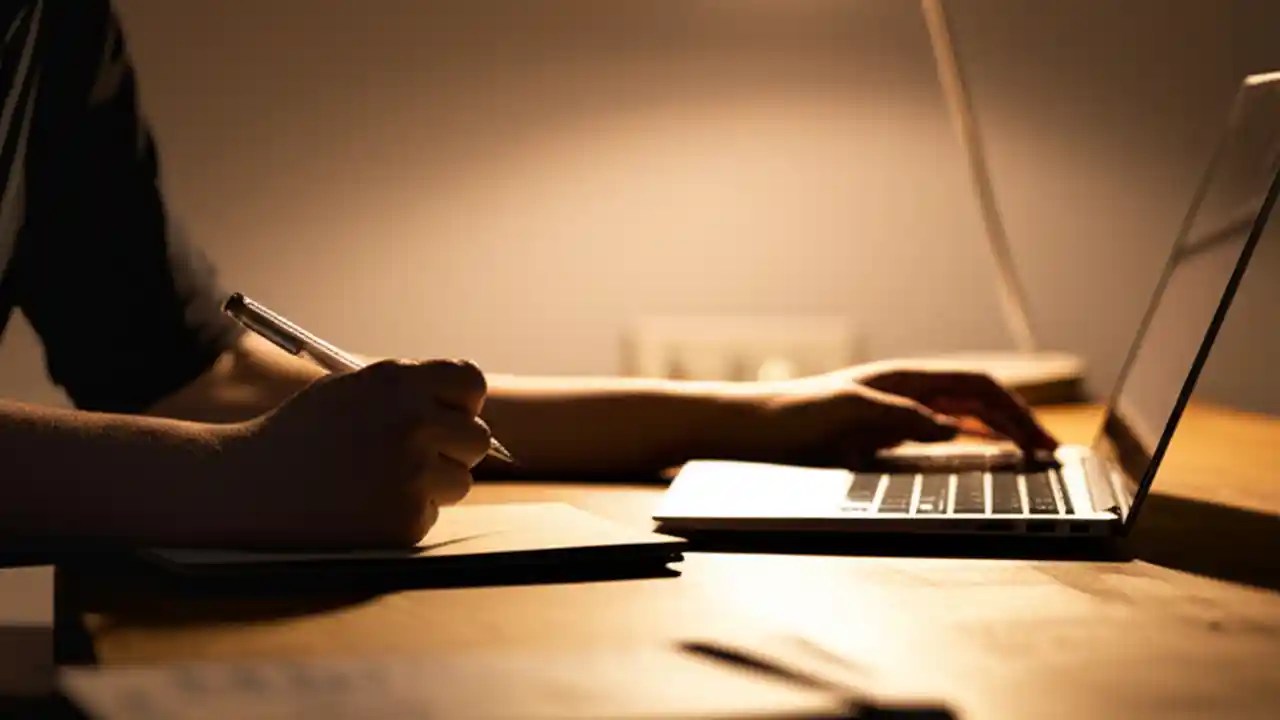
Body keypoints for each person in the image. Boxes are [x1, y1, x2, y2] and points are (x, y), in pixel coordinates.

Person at [0, 2, 1055, 549]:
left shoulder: (55, 23)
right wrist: (233, 480)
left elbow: (194, 377)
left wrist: (741, 416)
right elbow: (221, 434)